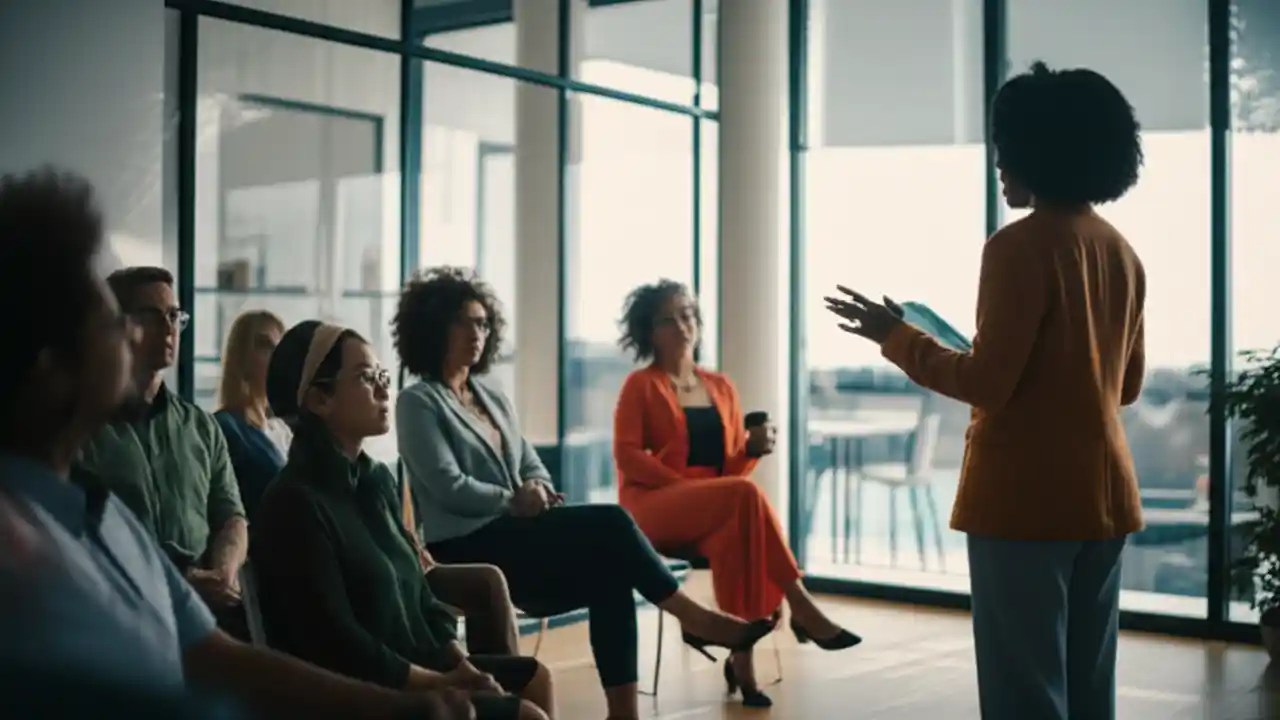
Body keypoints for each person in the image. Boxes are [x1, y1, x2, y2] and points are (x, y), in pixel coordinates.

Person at [0, 167, 473, 720]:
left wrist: (399, 708)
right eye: (111, 324)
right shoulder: (18, 545)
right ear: (50, 366)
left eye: (168, 317)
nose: (135, 335)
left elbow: (218, 655)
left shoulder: (102, 516)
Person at [825, 62, 1145, 720]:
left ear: (1038, 151)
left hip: (1024, 501)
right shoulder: (1120, 251)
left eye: (1006, 147)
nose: (999, 163)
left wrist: (895, 336)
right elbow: (1127, 385)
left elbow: (985, 384)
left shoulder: (1017, 247)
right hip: (1106, 498)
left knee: (1024, 693)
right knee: (1089, 690)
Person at [393, 267, 775, 720]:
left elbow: (530, 462)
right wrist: (512, 501)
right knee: (612, 521)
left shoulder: (492, 398)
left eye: (483, 323)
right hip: (465, 544)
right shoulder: (418, 402)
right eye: (463, 322)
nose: (476, 333)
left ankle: (624, 714)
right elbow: (447, 486)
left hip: (517, 534)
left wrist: (538, 488)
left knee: (610, 574)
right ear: (434, 327)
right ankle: (692, 617)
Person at [254, 320, 552, 720]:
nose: (383, 389)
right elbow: (336, 644)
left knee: (536, 679)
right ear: (319, 399)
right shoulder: (294, 502)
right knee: (527, 716)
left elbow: (422, 599)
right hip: (366, 691)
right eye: (366, 377)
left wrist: (461, 666)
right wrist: (438, 683)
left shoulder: (375, 481)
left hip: (420, 665)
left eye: (382, 375)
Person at [613, 280, 861, 707]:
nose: (682, 326)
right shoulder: (641, 385)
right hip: (654, 504)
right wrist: (687, 487)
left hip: (713, 504)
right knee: (743, 496)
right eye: (668, 320)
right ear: (649, 332)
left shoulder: (721, 386)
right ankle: (800, 602)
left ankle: (742, 664)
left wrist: (751, 450)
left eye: (687, 315)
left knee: (736, 535)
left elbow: (729, 471)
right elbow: (628, 456)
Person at [77, 265, 249, 634]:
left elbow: (232, 516)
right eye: (152, 316)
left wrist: (223, 571)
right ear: (120, 326)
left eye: (173, 316)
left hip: (207, 617)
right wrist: (179, 582)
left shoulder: (201, 427)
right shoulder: (83, 429)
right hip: (122, 617)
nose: (168, 328)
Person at [214, 310, 291, 522]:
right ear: (242, 358)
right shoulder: (224, 428)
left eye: (280, 348)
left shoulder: (283, 430)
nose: (276, 357)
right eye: (265, 346)